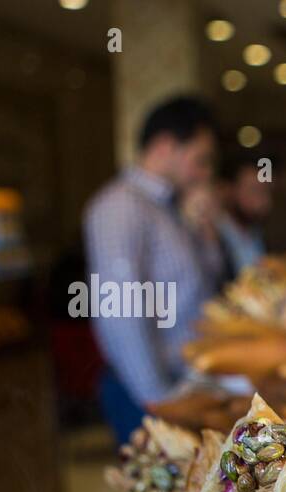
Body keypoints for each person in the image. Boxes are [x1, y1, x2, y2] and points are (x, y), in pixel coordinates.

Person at [83, 94, 223, 442]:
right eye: (199, 159)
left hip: (182, 380)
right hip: (147, 388)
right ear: (164, 146)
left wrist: (204, 228)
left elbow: (207, 280)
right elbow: (120, 309)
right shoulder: (120, 207)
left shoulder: (166, 207)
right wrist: (159, 401)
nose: (204, 172)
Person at [212, 150, 273, 280]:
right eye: (253, 190)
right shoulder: (214, 236)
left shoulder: (255, 232)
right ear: (228, 191)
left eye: (265, 191)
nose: (262, 201)